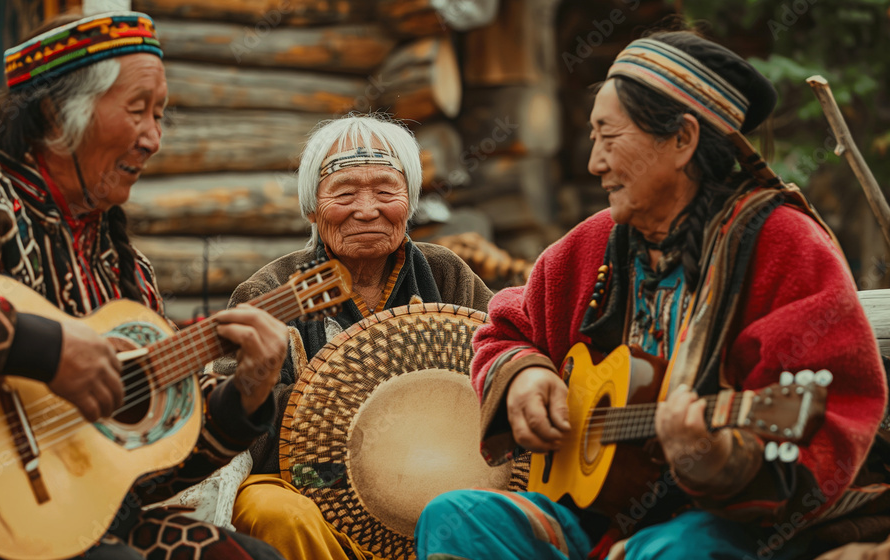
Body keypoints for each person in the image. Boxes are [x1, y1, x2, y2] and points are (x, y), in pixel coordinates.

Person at [414, 30, 890, 560]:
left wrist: (716, 458)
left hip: (726, 529)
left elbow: (835, 415)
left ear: (682, 140)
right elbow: (505, 328)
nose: (594, 162)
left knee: (674, 549)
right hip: (590, 521)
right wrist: (526, 373)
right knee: (453, 519)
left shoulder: (786, 246)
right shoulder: (592, 245)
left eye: (609, 138)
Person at [0, 11, 288, 560]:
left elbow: (138, 475)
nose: (154, 137)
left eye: (161, 114)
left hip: (65, 529)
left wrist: (239, 401)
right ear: (57, 113)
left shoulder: (125, 274)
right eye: (138, 110)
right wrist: (45, 349)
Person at [213, 113, 495, 560]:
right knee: (270, 511)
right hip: (311, 490)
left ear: (410, 199)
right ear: (312, 207)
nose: (367, 209)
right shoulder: (269, 292)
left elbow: (502, 352)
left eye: (386, 191)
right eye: (344, 193)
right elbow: (230, 422)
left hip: (441, 476)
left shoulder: (445, 274)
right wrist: (324, 411)